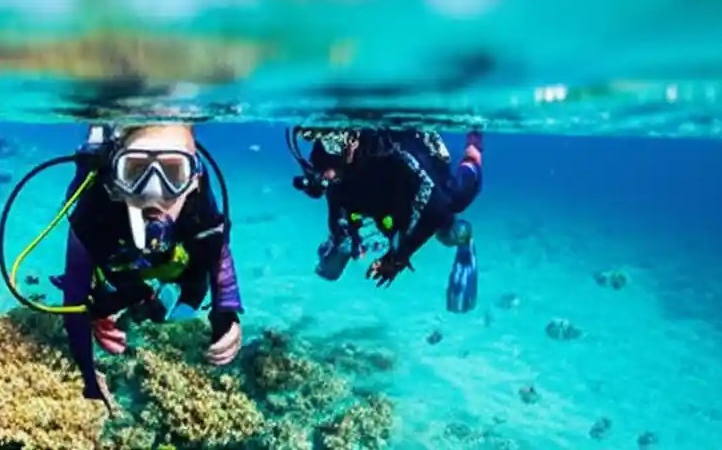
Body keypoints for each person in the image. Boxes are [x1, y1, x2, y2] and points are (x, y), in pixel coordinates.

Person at [43, 124, 243, 405]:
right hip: (118, 259)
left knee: (192, 291)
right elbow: (75, 293)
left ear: (194, 180)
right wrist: (89, 378)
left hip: (169, 257)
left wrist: (226, 312)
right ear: (114, 181)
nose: (154, 192)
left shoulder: (198, 203)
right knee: (116, 294)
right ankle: (142, 296)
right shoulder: (96, 208)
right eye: (135, 171)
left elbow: (216, 248)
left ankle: (154, 298)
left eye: (172, 173)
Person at [288, 126, 483, 313]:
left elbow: (435, 207)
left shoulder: (394, 150)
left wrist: (398, 257)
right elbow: (333, 191)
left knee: (451, 215)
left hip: (411, 188)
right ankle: (344, 242)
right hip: (369, 190)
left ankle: (474, 147)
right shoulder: (333, 156)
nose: (327, 170)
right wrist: (342, 234)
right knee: (331, 268)